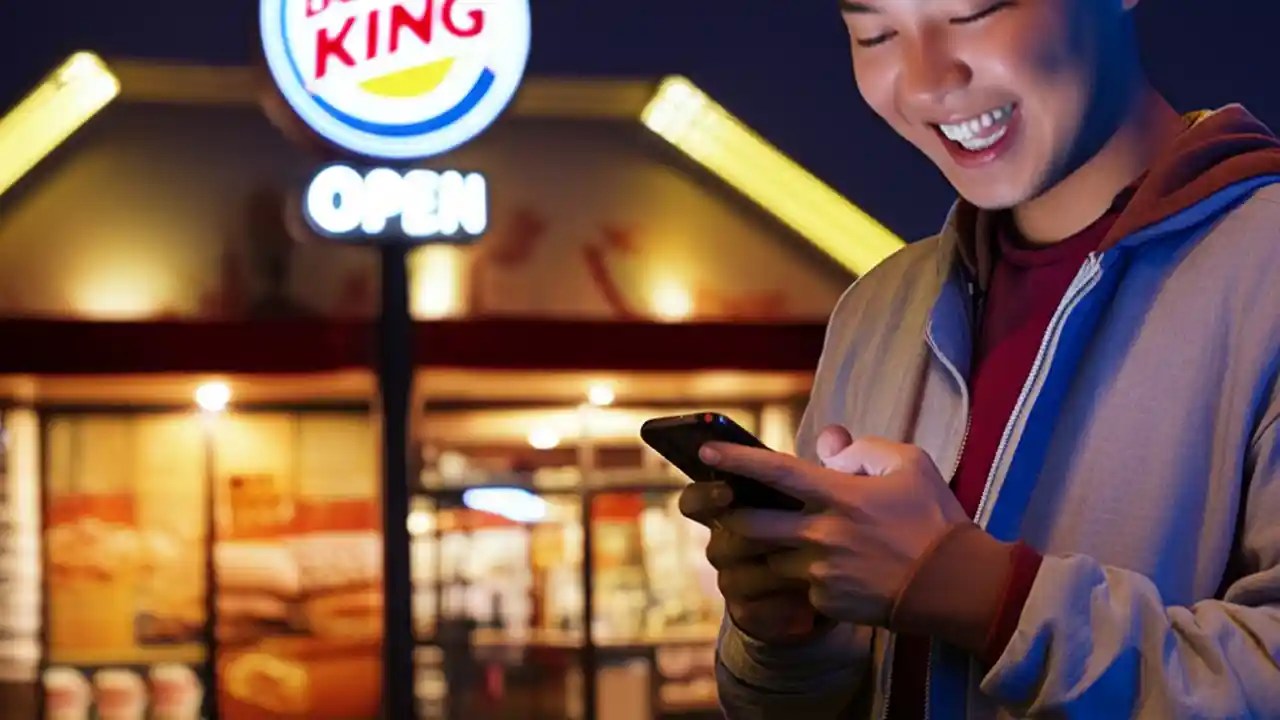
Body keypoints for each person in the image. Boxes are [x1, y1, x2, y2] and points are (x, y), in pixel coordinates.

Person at [678, 0, 1280, 717]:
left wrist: (980, 594)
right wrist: (788, 637)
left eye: (972, 12)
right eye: (876, 34)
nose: (926, 81)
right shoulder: (879, 310)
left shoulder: (1262, 267)